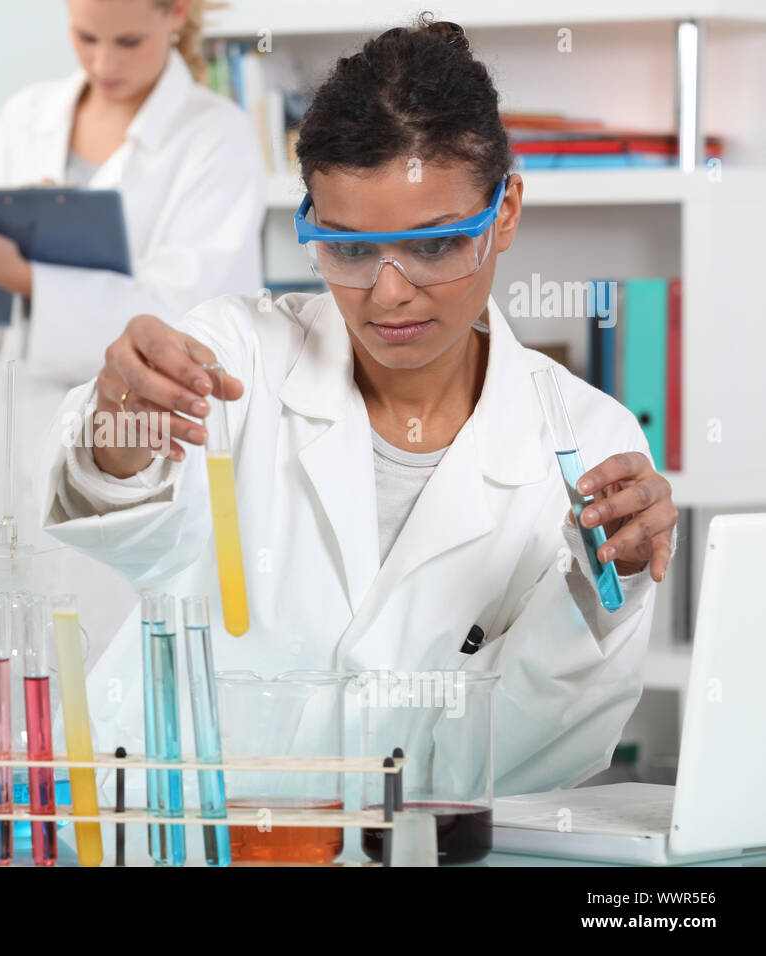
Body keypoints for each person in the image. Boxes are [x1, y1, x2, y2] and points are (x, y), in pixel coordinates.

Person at [37, 18, 679, 796]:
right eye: (345, 248)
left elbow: (534, 758)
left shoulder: (585, 441)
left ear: (505, 210)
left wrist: (602, 586)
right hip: (162, 834)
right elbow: (125, 521)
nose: (389, 292)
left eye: (435, 244)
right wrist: (120, 421)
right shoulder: (237, 354)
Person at [0, 0, 265, 659]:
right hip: (7, 425)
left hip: (131, 442)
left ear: (177, 14)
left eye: (128, 41)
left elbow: (190, 314)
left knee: (105, 675)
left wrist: (28, 277)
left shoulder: (215, 134)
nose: (104, 64)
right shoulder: (29, 115)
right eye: (85, 38)